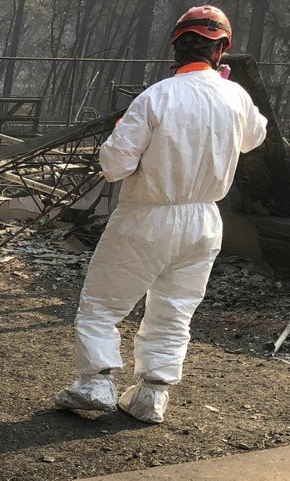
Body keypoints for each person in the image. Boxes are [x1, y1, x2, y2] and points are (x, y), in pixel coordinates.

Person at [54, 5, 266, 424]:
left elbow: (114, 165)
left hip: (147, 217)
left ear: (176, 48)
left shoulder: (156, 97)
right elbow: (253, 138)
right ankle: (151, 395)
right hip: (205, 222)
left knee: (102, 304)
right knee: (174, 309)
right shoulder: (236, 97)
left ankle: (96, 382)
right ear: (221, 49)